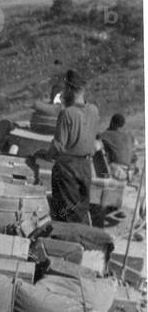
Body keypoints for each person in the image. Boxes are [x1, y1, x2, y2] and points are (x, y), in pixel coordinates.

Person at [30, 70, 100, 224]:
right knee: (81, 209)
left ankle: (66, 242)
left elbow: (59, 144)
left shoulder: (67, 113)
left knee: (65, 211)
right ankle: (79, 241)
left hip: (67, 168)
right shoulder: (94, 111)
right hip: (86, 167)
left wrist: (45, 154)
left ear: (69, 89)